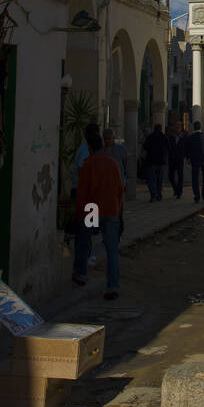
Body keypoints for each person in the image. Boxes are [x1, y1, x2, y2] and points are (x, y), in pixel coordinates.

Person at [76, 128, 124, 300]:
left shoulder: (89, 164)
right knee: (112, 250)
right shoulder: (112, 163)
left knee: (85, 241)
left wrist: (80, 211)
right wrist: (118, 209)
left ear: (90, 147)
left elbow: (83, 191)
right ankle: (112, 286)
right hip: (111, 209)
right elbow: (120, 188)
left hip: (92, 209)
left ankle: (81, 274)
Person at [71, 124, 97, 280]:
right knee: (85, 232)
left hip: (86, 196)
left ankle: (84, 260)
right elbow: (83, 172)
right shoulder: (86, 151)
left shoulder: (85, 149)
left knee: (86, 230)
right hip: (86, 196)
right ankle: (82, 265)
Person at [102, 127, 128, 237]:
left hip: (118, 184)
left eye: (109, 138)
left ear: (114, 138)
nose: (108, 141)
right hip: (106, 185)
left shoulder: (121, 149)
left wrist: (125, 181)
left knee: (119, 210)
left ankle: (118, 233)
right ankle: (107, 233)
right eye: (106, 139)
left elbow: (125, 165)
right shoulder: (102, 151)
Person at [186, 120, 204, 201]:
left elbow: (188, 149)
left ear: (194, 127)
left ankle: (197, 196)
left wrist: (188, 158)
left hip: (195, 160)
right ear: (200, 127)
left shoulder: (190, 137)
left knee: (195, 179)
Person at [143, 123, 168, 201]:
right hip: (160, 161)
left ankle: (153, 194)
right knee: (159, 180)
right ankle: (159, 194)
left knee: (151, 179)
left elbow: (145, 147)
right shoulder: (164, 137)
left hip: (151, 161)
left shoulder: (150, 137)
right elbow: (167, 147)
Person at [167, 123, 187, 199]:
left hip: (180, 158)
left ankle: (179, 192)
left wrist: (185, 156)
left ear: (181, 128)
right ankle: (176, 189)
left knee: (180, 175)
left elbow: (186, 147)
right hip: (172, 159)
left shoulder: (184, 137)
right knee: (170, 176)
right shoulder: (171, 137)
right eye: (176, 128)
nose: (177, 129)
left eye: (178, 128)